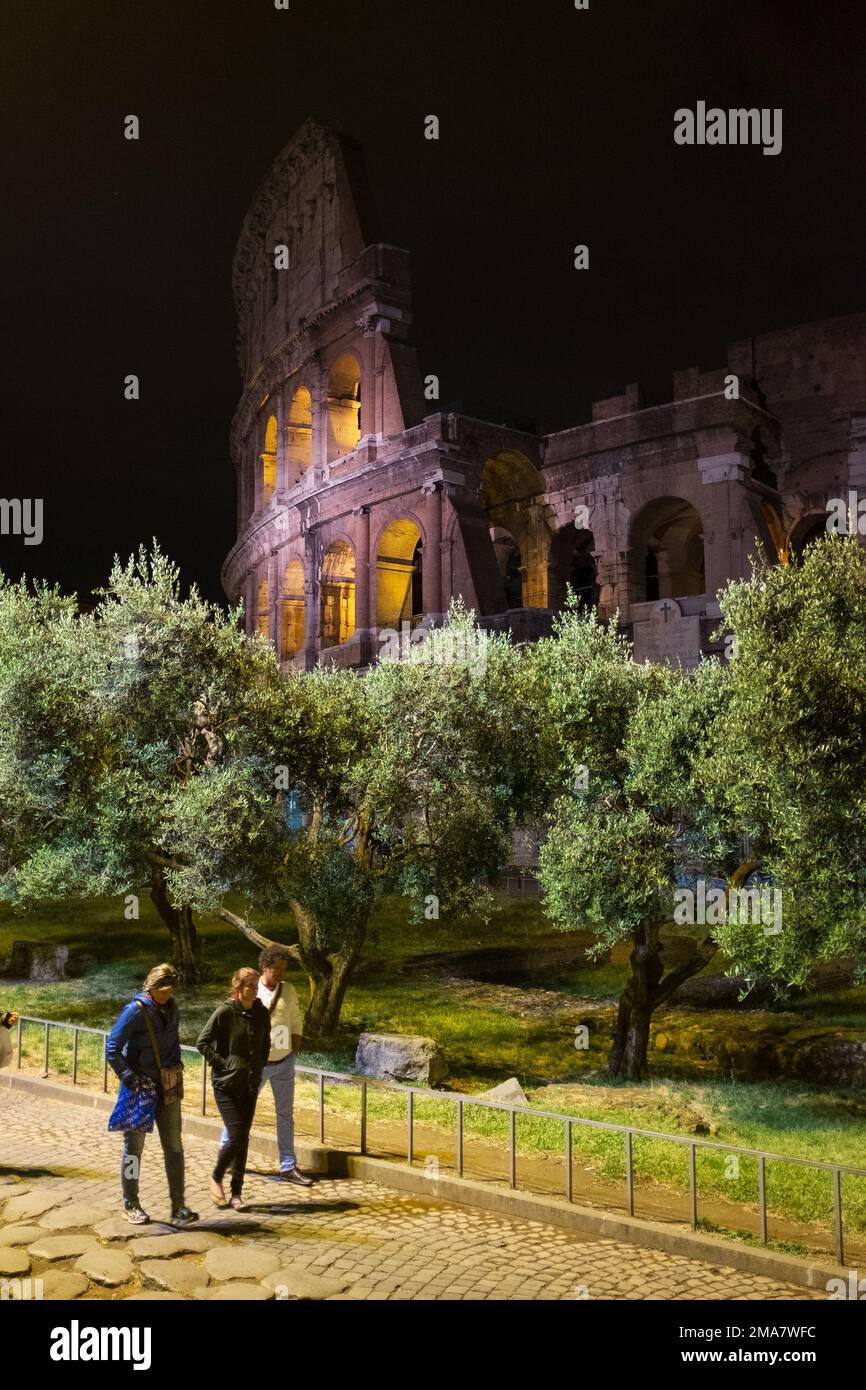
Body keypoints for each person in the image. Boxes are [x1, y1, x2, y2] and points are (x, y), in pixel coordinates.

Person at [106, 965, 199, 1228]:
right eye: (163, 991)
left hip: (167, 1087)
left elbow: (173, 1043)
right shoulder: (134, 1011)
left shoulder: (173, 1008)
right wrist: (130, 1077)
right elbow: (112, 1048)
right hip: (140, 1088)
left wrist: (176, 1067)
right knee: (133, 1151)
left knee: (175, 1147)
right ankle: (130, 1202)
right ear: (152, 987)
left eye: (171, 991)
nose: (167, 995)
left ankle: (178, 1205)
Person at [221, 946, 313, 1187]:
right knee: (240, 1114)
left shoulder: (289, 990)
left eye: (284, 967)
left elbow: (295, 1017)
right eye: (277, 968)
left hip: (284, 1062)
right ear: (265, 967)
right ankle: (227, 1158)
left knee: (285, 1115)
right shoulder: (252, 988)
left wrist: (295, 1045)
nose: (282, 972)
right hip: (256, 1066)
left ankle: (288, 1166)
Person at [196, 967, 271, 1212]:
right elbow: (202, 1042)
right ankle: (216, 1176)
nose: (254, 988)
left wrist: (258, 1066)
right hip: (226, 1085)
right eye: (248, 985)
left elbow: (265, 1043)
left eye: (255, 984)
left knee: (243, 1138)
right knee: (236, 1134)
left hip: (249, 1083)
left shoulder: (261, 1013)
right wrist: (224, 1064)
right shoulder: (225, 1012)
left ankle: (236, 1193)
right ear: (237, 987)